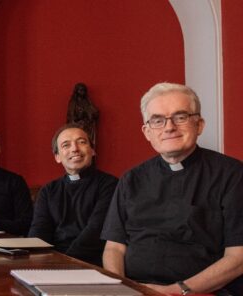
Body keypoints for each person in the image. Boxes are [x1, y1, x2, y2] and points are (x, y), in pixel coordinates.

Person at [101, 82, 243, 294]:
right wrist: (124, 289)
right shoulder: (131, 179)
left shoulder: (232, 174)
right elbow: (114, 248)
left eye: (180, 117)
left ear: (200, 124)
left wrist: (177, 290)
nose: (169, 127)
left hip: (199, 292)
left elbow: (238, 258)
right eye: (157, 120)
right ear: (147, 131)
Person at [28, 124, 117, 266]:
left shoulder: (110, 185)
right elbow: (39, 231)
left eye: (81, 142)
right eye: (66, 145)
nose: (75, 149)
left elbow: (95, 231)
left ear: (92, 150)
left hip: (92, 263)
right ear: (57, 156)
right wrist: (36, 262)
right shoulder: (48, 190)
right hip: (52, 261)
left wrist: (64, 263)